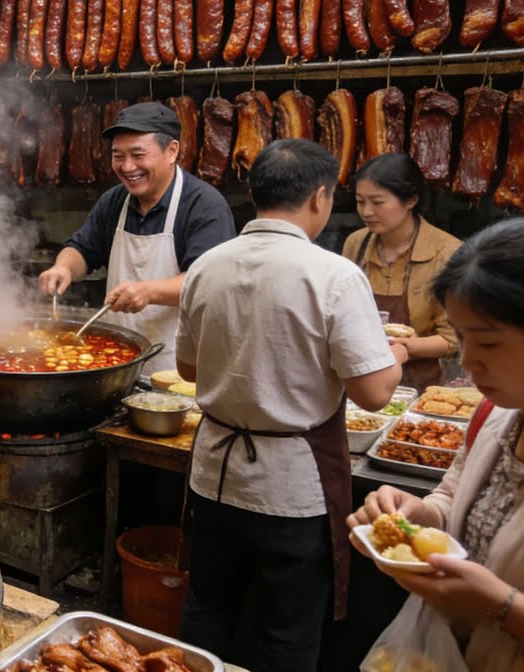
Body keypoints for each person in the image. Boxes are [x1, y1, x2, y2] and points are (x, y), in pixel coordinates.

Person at [175, 139, 407, 672]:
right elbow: (374, 393)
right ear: (320, 197)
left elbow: (188, 371)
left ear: (254, 191)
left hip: (213, 478)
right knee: (287, 632)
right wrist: (393, 354)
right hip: (291, 491)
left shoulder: (207, 265)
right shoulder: (334, 275)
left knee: (206, 611)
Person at [348, 218, 524, 671]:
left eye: (487, 342)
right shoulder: (494, 416)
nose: (467, 361)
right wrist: (420, 516)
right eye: (460, 338)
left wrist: (500, 603)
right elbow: (452, 496)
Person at [37, 102, 235, 374]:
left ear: (172, 151)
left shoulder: (204, 206)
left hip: (181, 370)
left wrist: (147, 292)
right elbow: (82, 248)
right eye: (118, 156)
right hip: (120, 361)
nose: (127, 166)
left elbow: (208, 282)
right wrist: (64, 268)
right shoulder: (115, 200)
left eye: (138, 155)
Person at [342, 153, 462, 389]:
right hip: (363, 381)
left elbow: (453, 339)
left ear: (410, 200)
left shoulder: (447, 253)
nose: (366, 211)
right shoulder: (355, 244)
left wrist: (400, 348)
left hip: (424, 387)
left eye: (377, 202)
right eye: (360, 201)